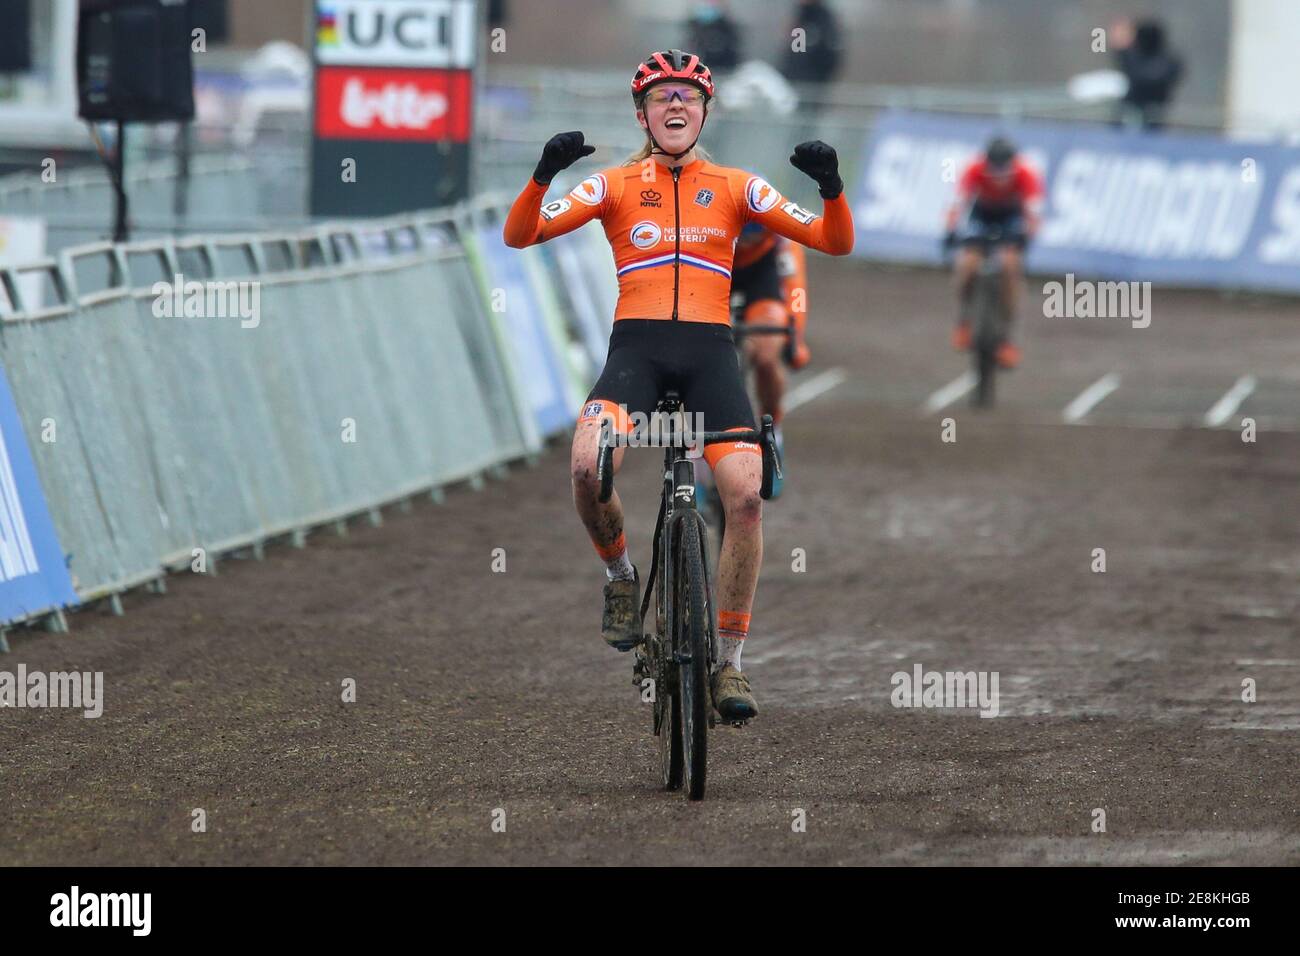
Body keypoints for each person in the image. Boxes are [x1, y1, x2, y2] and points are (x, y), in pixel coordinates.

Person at [503, 50, 854, 722]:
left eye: (687, 98)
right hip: (635, 354)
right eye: (662, 97)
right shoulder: (612, 185)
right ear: (641, 114)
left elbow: (830, 242)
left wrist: (832, 190)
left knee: (746, 498)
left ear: (703, 112)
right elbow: (524, 235)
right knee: (585, 466)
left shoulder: (735, 186)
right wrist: (542, 175)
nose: (674, 107)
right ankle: (620, 578)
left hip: (709, 356)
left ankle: (730, 665)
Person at [944, 136, 1043, 369]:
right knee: (967, 264)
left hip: (1011, 218)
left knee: (1010, 267)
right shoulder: (974, 169)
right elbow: (957, 203)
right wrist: (950, 231)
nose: (999, 177)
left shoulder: (1025, 173)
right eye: (994, 170)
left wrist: (1026, 236)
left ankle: (1008, 339)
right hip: (982, 215)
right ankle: (964, 320)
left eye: (1004, 170)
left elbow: (1034, 211)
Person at [729, 222, 811, 498]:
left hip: (761, 283)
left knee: (766, 355)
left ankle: (773, 433)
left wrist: (795, 339)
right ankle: (693, 459)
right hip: (716, 264)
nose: (745, 244)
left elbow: (795, 290)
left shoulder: (780, 232)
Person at [1111, 17, 1183, 130]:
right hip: (1132, 108)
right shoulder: (1133, 56)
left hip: (1156, 111)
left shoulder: (1167, 60)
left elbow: (1146, 77)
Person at [686, 1, 742, 72]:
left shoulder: (727, 26)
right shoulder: (695, 26)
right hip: (702, 68)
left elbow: (735, 47)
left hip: (726, 68)